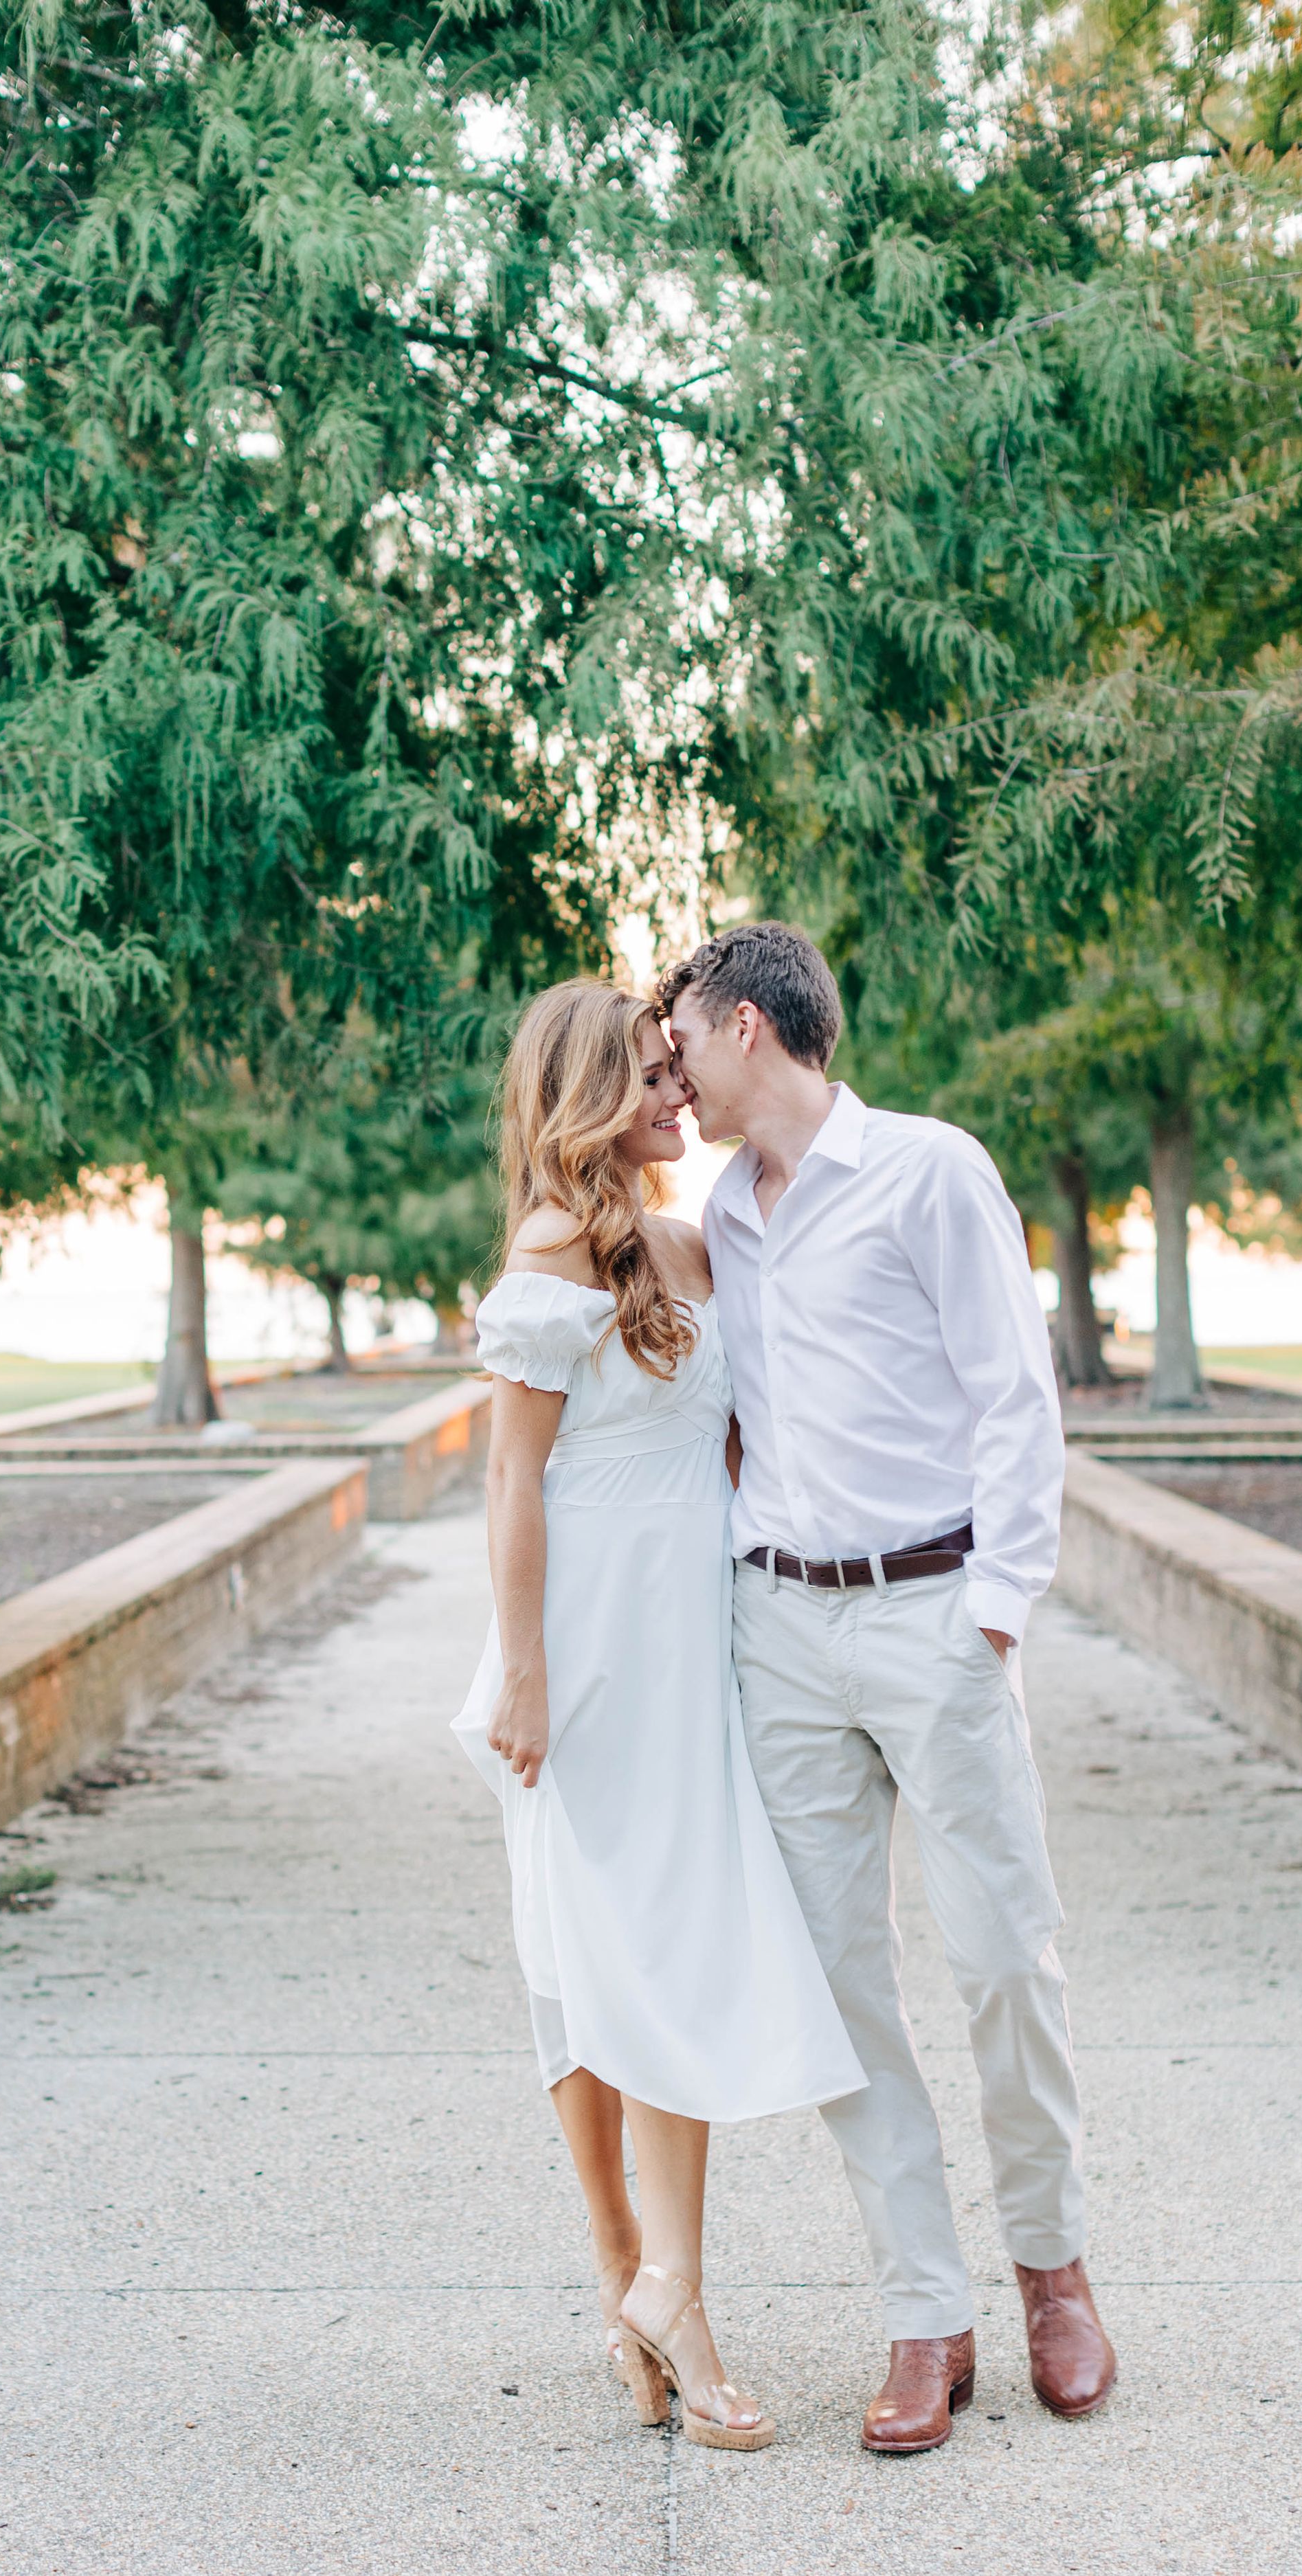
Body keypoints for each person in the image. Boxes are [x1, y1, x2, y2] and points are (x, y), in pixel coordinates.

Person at [659, 920, 1117, 2455]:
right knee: (842, 1989)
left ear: (743, 1026)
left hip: (934, 1615)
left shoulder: (929, 1168)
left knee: (1001, 1956)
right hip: (779, 1635)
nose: (672, 1069)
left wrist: (991, 1615)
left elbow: (1013, 1396)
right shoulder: (717, 1210)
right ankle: (926, 2312)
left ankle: (1051, 2271)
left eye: (678, 1040)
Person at [453, 978, 865, 2452]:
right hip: (588, 1652)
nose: (672, 1098)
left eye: (674, 1072)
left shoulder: (689, 1242)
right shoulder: (556, 1242)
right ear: (583, 1096)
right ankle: (645, 2288)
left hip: (694, 1643)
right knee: (602, 1959)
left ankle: (653, 2291)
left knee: (658, 1958)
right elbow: (512, 1478)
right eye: (646, 1077)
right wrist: (521, 1668)